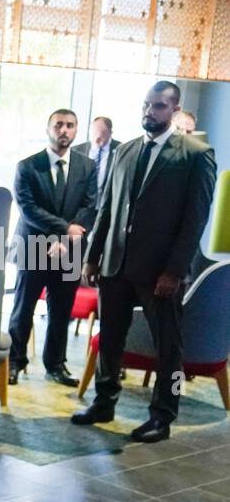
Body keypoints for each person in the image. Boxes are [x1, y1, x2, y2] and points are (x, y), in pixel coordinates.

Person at [74, 81, 217, 442]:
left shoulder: (195, 154)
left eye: (157, 107)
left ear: (174, 110)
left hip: (160, 272)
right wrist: (92, 257)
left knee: (169, 348)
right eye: (145, 105)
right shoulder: (126, 151)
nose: (148, 112)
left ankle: (163, 417)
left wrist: (174, 270)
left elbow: (194, 220)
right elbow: (107, 206)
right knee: (109, 341)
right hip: (116, 265)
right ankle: (104, 402)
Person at [7, 108, 96, 387]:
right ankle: (14, 362)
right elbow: (28, 209)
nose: (64, 130)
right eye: (58, 125)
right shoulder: (27, 166)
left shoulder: (87, 166)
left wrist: (66, 237)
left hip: (69, 249)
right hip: (34, 244)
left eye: (70, 125)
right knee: (24, 308)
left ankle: (55, 365)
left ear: (76, 130)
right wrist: (62, 230)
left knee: (61, 310)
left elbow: (91, 205)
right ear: (48, 129)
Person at [72, 115, 114, 210]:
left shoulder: (121, 151)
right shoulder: (76, 151)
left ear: (110, 133)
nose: (97, 138)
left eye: (102, 133)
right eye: (94, 133)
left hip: (106, 209)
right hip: (82, 209)